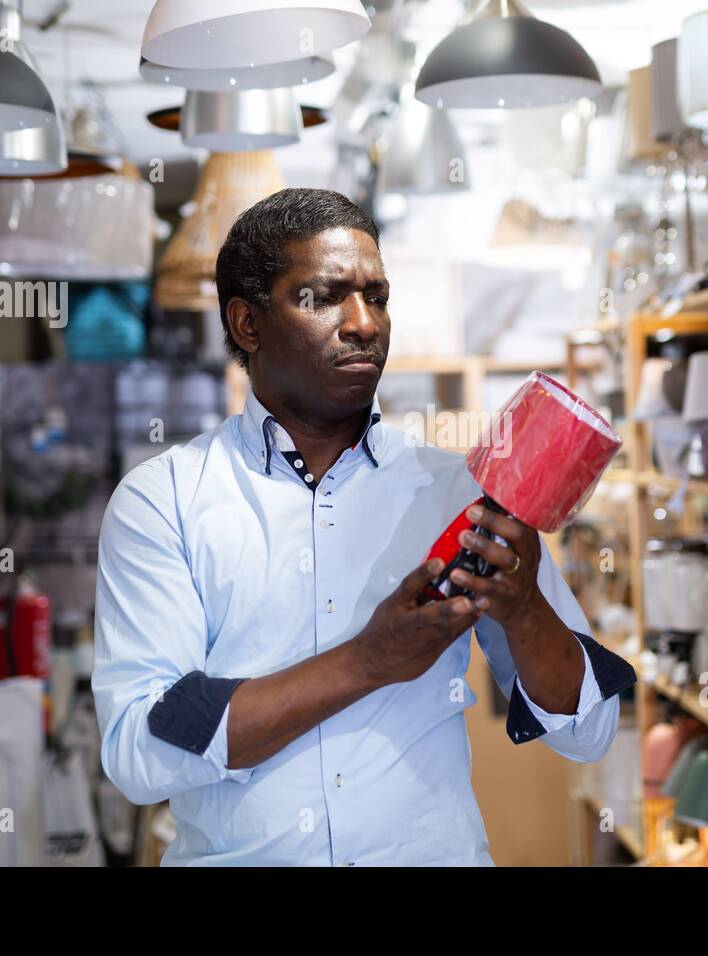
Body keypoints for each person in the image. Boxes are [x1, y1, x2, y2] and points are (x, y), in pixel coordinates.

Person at [93, 188, 635, 865]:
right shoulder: (165, 501)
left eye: (376, 297)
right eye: (323, 297)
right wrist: (368, 662)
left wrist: (524, 610)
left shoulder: (459, 494)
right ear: (247, 324)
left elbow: (588, 730)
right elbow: (141, 750)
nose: (363, 323)